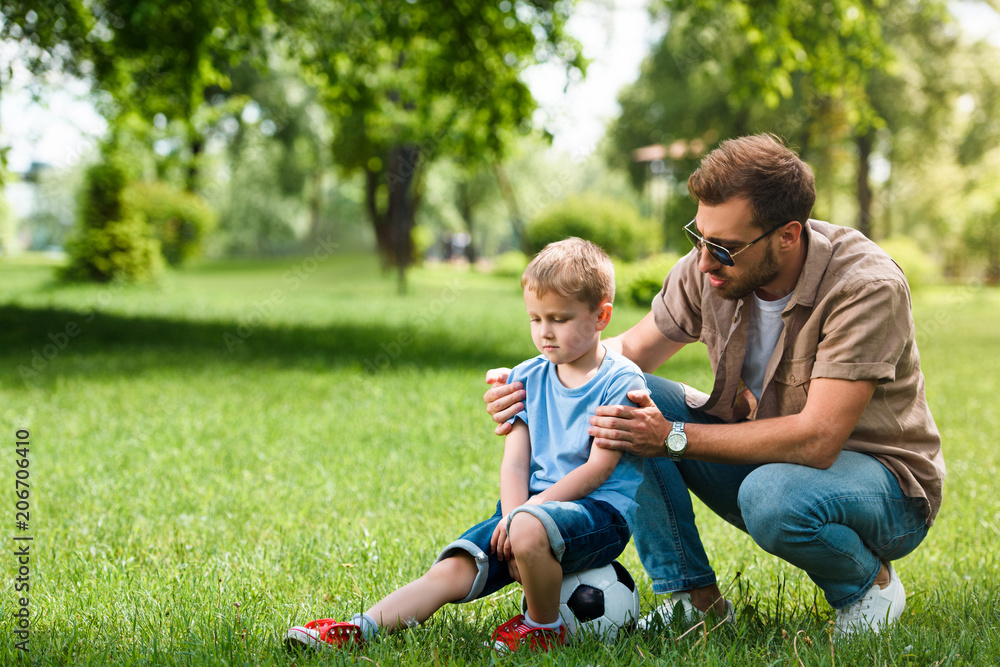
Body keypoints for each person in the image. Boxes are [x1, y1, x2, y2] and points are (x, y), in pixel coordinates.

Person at [485, 134, 944, 640]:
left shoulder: (863, 286)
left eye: (723, 247)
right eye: (698, 236)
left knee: (770, 495)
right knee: (635, 397)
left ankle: (867, 586)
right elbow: (627, 352)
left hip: (883, 487)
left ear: (788, 235)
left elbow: (818, 439)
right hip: (769, 463)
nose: (704, 262)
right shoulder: (711, 269)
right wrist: (534, 378)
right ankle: (693, 599)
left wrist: (672, 437)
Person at [286, 237, 647, 653]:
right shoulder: (528, 377)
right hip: (525, 508)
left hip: (598, 514)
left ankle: (543, 629)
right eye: (535, 319)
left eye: (559, 319)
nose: (544, 332)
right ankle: (359, 629)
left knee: (530, 528)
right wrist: (511, 518)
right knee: (454, 569)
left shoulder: (621, 381)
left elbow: (598, 470)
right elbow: (515, 464)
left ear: (600, 316)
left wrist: (525, 520)